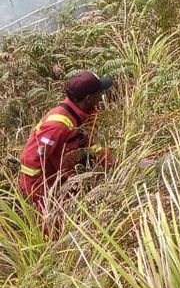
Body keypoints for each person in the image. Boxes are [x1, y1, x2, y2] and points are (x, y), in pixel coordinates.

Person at [18, 70, 114, 212]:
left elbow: (91, 144)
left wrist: (111, 164)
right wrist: (41, 200)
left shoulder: (84, 114)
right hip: (51, 190)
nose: (101, 96)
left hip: (69, 182)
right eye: (99, 93)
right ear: (88, 98)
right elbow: (30, 162)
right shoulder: (56, 126)